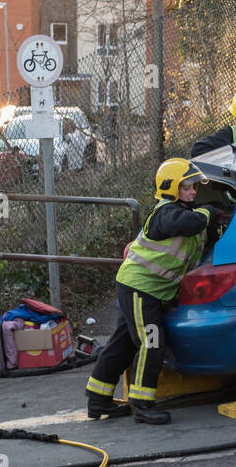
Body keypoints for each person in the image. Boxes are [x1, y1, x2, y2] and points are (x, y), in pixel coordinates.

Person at [85, 159, 227, 425]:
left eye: (194, 186)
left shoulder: (184, 212)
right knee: (152, 341)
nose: (193, 191)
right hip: (140, 288)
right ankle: (141, 403)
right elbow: (189, 223)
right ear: (171, 188)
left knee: (122, 344)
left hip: (142, 288)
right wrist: (209, 211)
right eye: (187, 187)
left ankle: (97, 398)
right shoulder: (167, 213)